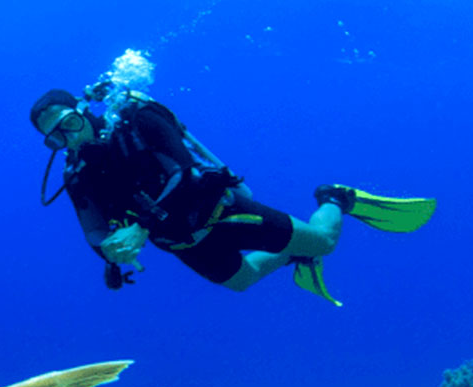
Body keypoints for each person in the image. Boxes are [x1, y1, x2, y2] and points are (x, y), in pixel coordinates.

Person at [29, 86, 435, 305]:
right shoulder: (77, 173)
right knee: (243, 281)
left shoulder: (137, 120)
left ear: (83, 110)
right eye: (54, 137)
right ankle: (297, 253)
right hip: (181, 243)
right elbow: (93, 228)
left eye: (69, 123)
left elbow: (184, 172)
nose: (68, 138)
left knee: (326, 242)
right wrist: (109, 252)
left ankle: (335, 199)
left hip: (224, 213)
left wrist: (140, 229)